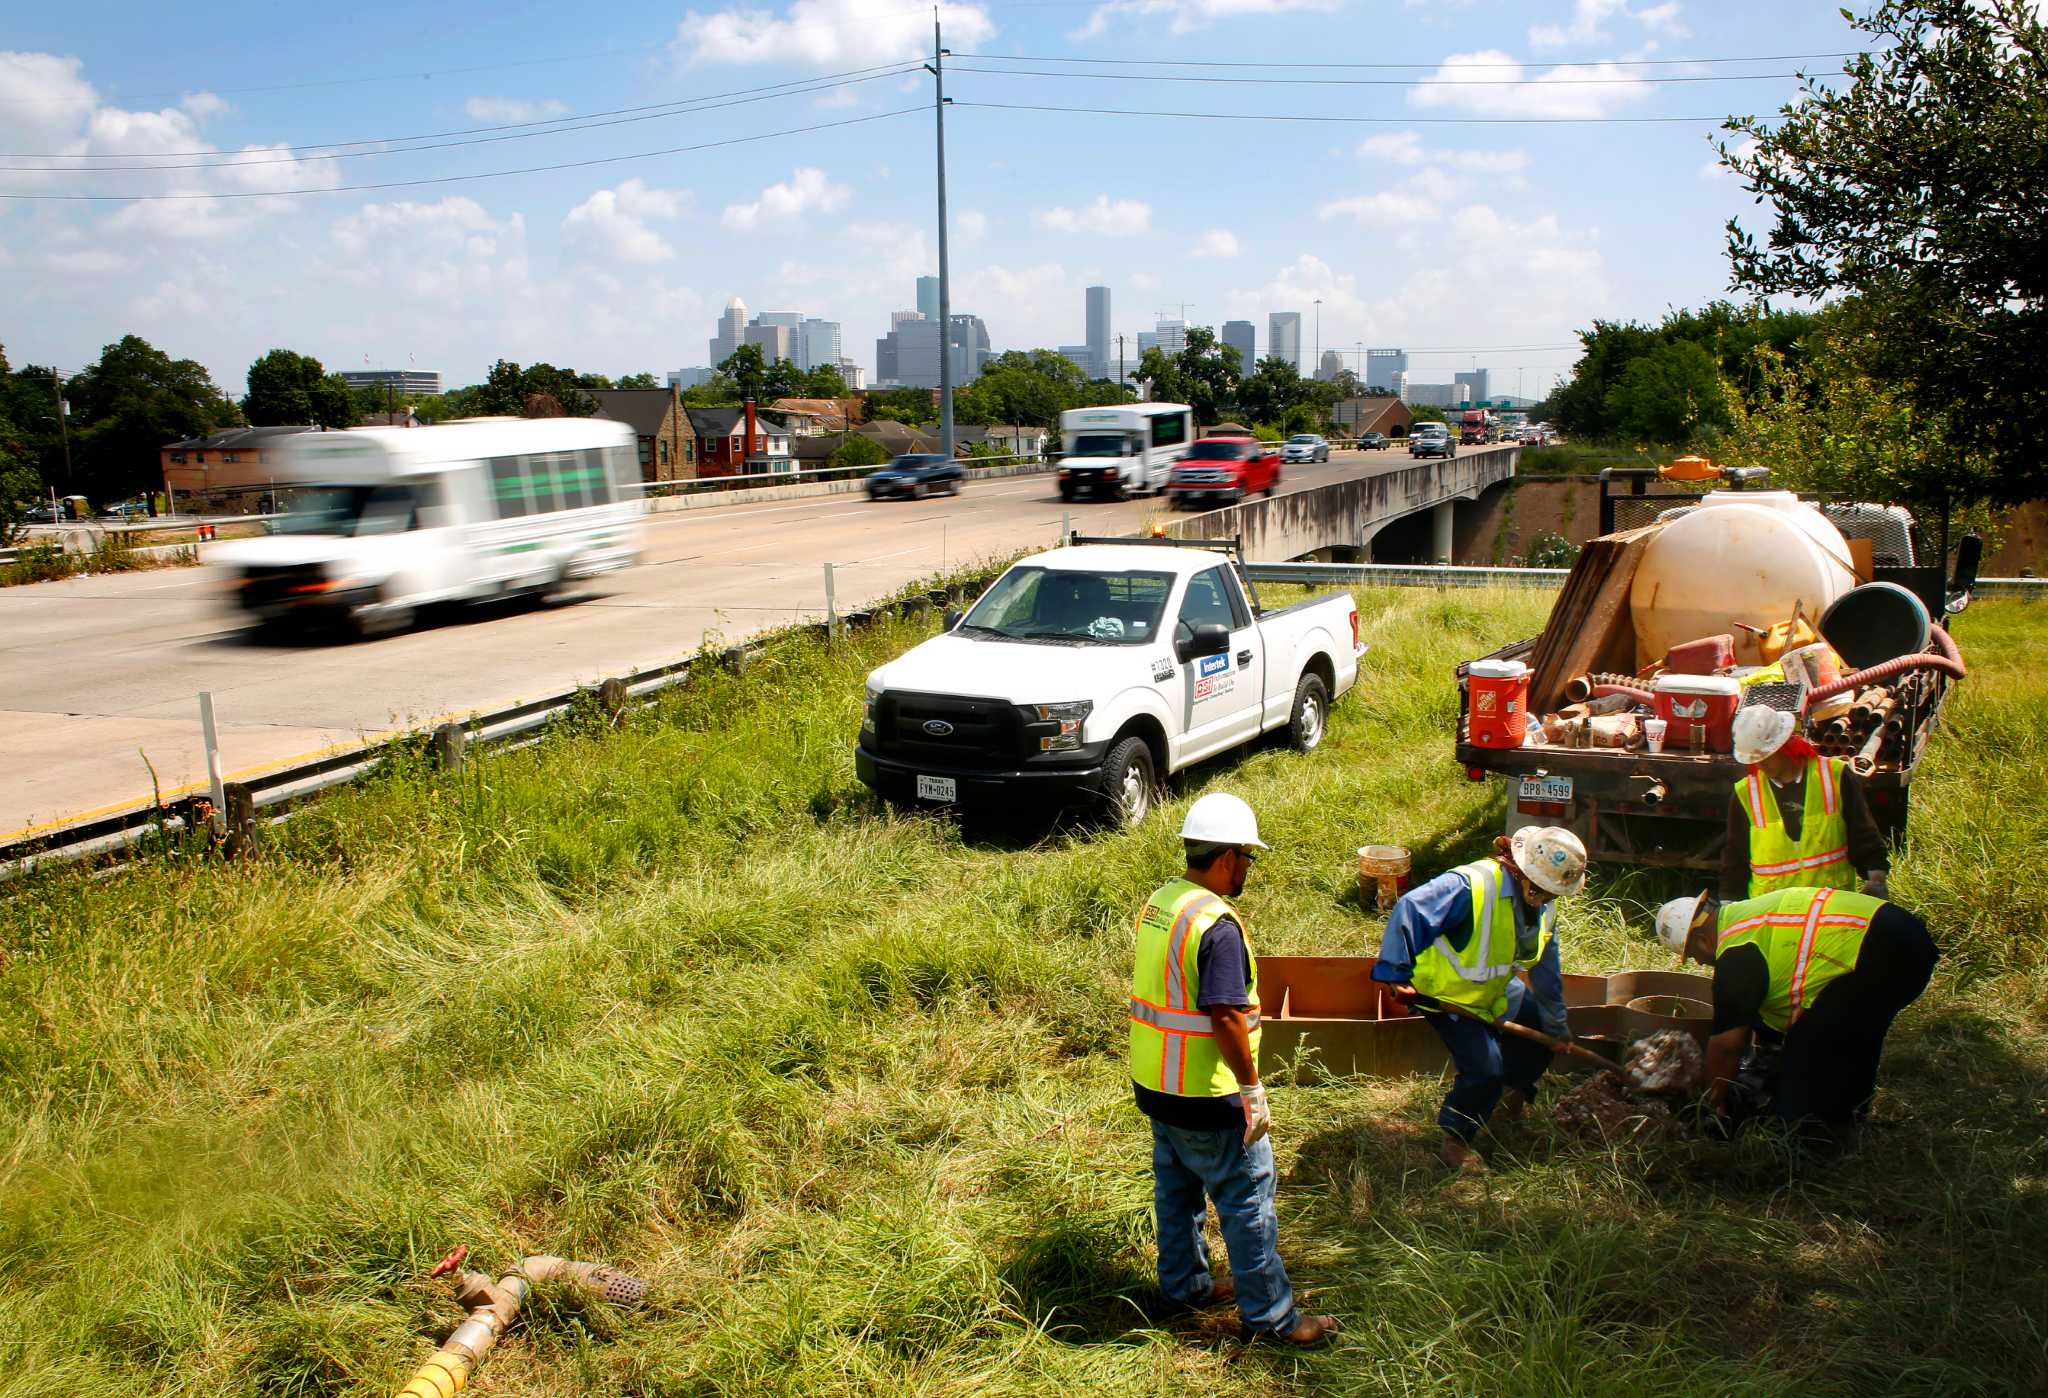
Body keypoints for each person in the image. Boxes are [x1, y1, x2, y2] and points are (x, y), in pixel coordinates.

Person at [1128, 791, 1337, 1348]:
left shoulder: (1164, 902)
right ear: (1227, 857)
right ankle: (1273, 1319)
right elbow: (1225, 1015)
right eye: (1248, 857)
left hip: (1157, 1086)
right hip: (1207, 1094)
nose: (1248, 869)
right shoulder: (1217, 926)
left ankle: (1183, 1289)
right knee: (1248, 1202)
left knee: (1176, 1192)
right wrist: (1252, 1088)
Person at [1373, 826, 1587, 1173]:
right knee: (1485, 1070)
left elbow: (1547, 967)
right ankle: (1456, 1139)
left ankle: (1507, 1107)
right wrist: (1395, 972)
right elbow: (1410, 909)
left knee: (1539, 1041)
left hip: (1495, 991)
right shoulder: (1469, 885)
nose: (1547, 898)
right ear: (1522, 871)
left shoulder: (1545, 904)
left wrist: (1556, 1026)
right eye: (1543, 890)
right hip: (1447, 993)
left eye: (1553, 893)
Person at [1656, 885, 1938, 1136]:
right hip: (1906, 937)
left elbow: (1727, 1046)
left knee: (1806, 1048)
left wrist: (1711, 1103)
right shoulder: (1748, 916)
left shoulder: (1735, 953)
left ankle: (1800, 1137)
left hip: (1881, 949)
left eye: (1693, 955)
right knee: (1858, 1035)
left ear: (1703, 940)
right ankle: (1849, 1117)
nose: (1701, 963)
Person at [1721, 704, 1889, 902]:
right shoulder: (1745, 794)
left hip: (1829, 914)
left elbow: (1864, 836)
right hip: (1775, 921)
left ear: (1784, 745)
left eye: (1765, 756)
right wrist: (1729, 906)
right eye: (1754, 759)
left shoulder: (1835, 776)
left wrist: (1877, 880)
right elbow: (1735, 859)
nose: (1760, 765)